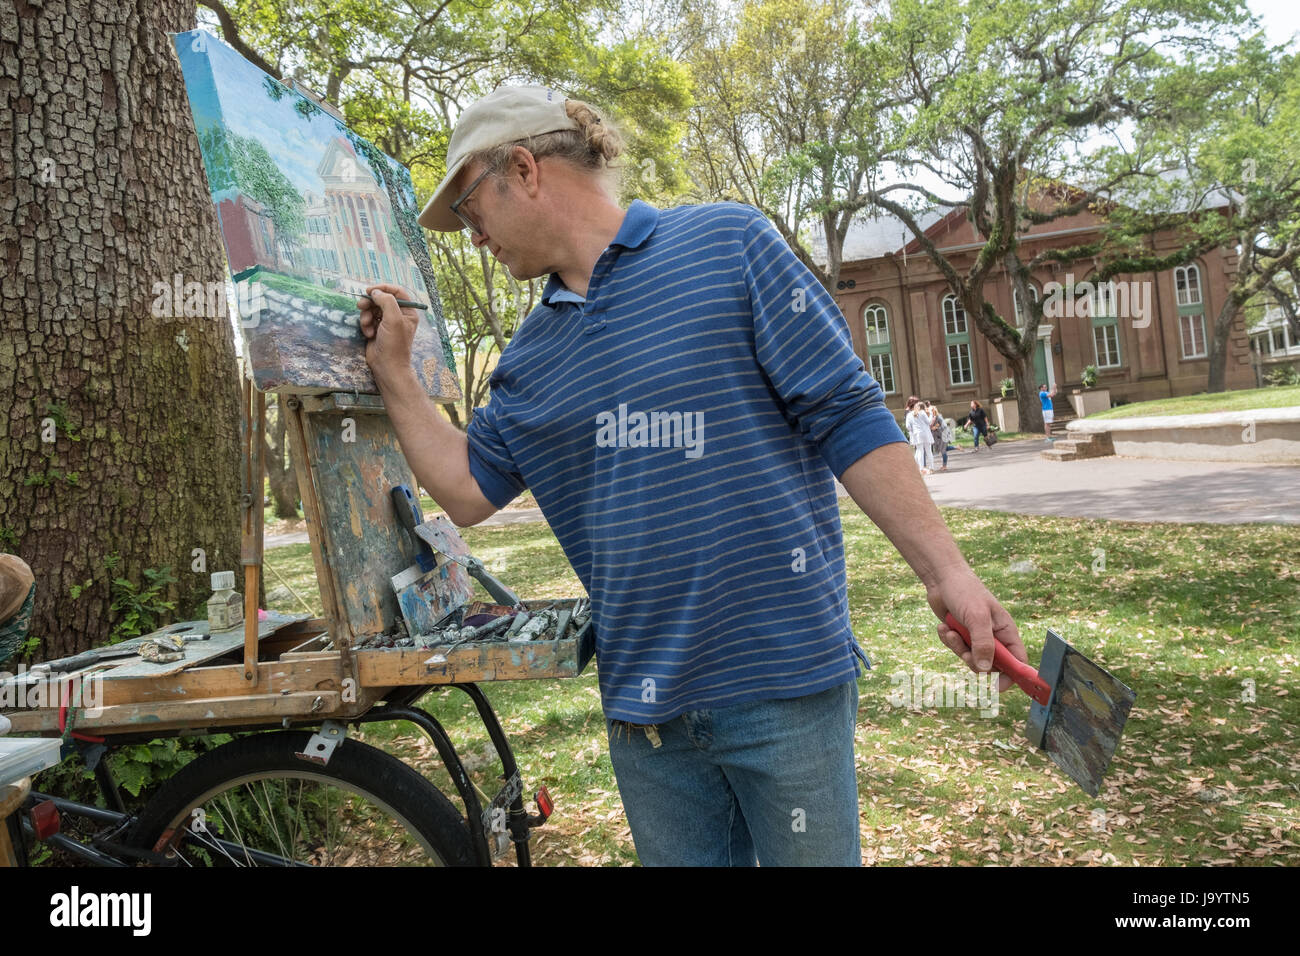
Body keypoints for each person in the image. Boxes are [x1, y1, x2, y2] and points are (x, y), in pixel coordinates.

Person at [360, 85, 1025, 866]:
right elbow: (468, 490)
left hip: (788, 689)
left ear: (524, 168)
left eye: (472, 210)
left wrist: (947, 571)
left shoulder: (728, 244)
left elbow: (846, 411)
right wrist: (397, 378)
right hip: (647, 723)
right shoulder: (529, 360)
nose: (473, 239)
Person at [905, 396, 933, 475]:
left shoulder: (909, 415)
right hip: (926, 433)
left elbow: (908, 426)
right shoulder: (922, 412)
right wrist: (931, 414)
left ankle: (921, 469)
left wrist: (913, 430)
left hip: (917, 434)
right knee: (928, 451)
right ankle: (931, 468)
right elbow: (929, 422)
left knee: (920, 450)